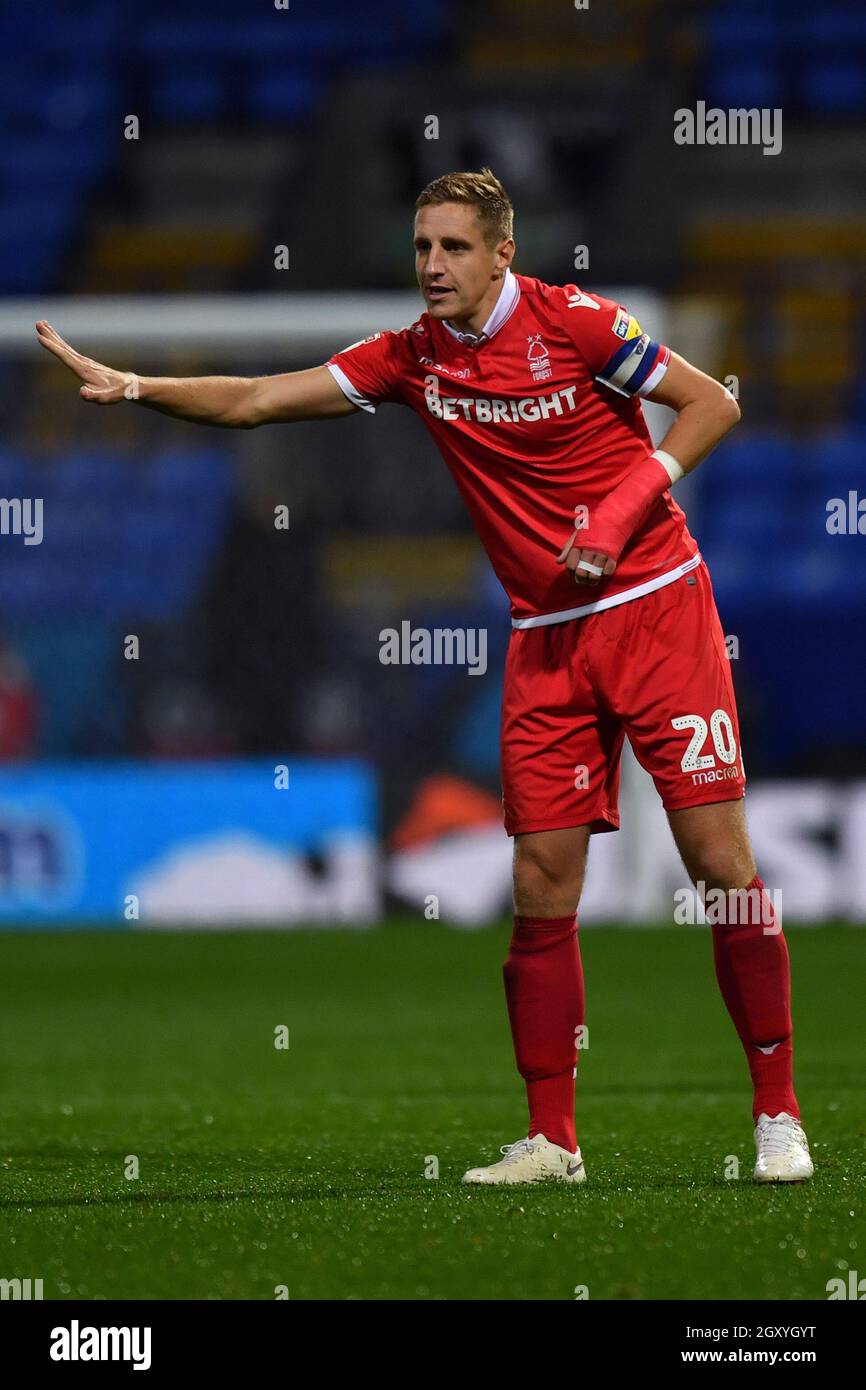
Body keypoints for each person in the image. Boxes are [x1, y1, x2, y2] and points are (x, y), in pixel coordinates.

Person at [36, 168, 812, 1186]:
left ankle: (776, 1113)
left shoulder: (574, 321)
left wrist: (621, 511)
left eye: (452, 247)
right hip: (545, 636)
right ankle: (552, 1139)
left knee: (717, 863)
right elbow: (260, 400)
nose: (432, 265)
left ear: (502, 252)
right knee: (540, 883)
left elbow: (711, 402)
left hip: (657, 607)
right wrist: (139, 387)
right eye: (421, 247)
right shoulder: (413, 357)